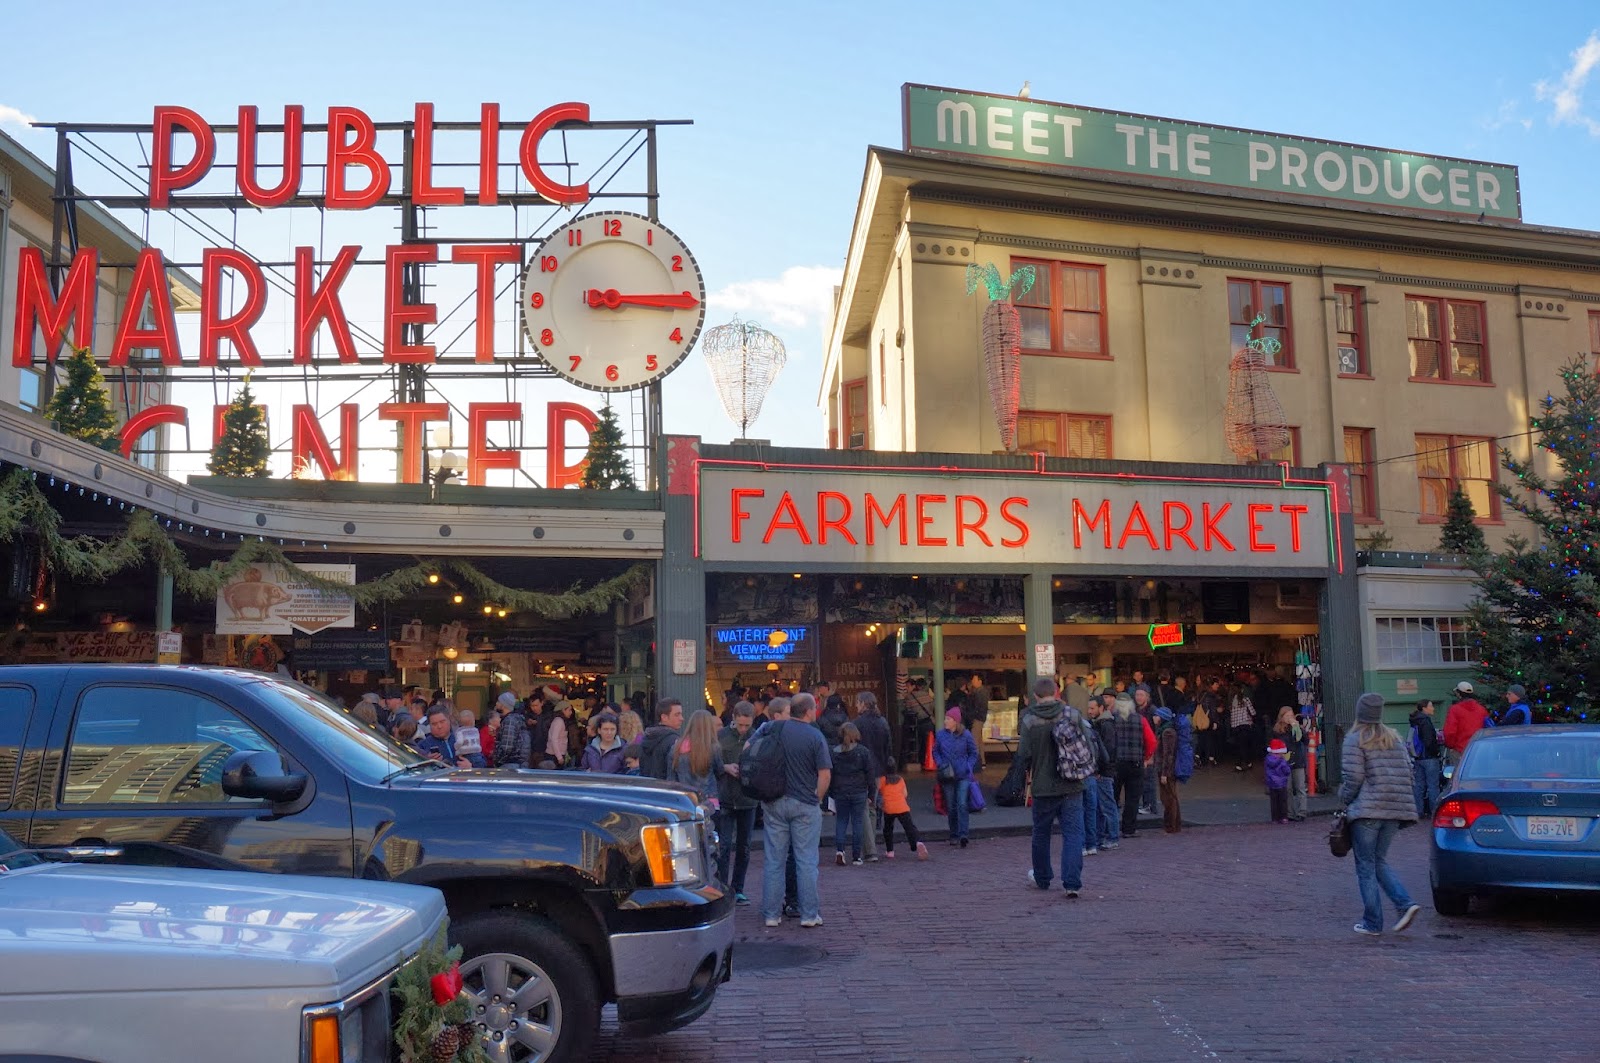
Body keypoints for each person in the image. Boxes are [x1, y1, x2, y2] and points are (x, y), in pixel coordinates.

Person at [1340, 693, 1422, 936]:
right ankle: (1404, 904)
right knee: (1379, 861)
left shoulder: (1355, 740)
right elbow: (1409, 772)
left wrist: (1344, 799)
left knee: (1365, 866)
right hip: (1394, 810)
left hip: (1368, 811)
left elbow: (1353, 778)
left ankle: (1374, 921)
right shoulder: (1394, 739)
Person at [760, 692, 831, 929]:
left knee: (774, 860)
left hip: (774, 801)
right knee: (806, 861)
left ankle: (771, 914)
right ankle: (809, 914)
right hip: (804, 802)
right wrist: (817, 798)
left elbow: (750, 748)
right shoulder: (815, 736)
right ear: (810, 711)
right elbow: (824, 774)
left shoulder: (773, 728)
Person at [1019, 677, 1088, 895]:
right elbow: (1087, 742)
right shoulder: (1073, 714)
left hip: (1043, 785)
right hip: (1072, 783)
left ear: (1036, 696)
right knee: (1073, 834)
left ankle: (1042, 877)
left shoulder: (1029, 720)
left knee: (1041, 834)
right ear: (1057, 693)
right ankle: (1072, 883)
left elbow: (1024, 754)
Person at [716, 703, 758, 904]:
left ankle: (738, 888)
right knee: (723, 846)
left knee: (744, 847)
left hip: (748, 799)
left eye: (747, 725)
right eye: (740, 724)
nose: (743, 729)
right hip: (725, 796)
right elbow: (710, 763)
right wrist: (724, 767)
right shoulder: (720, 736)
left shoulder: (757, 736)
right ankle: (723, 888)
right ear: (733, 718)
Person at [852, 692, 892, 862]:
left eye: (858, 703)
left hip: (861, 770)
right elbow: (888, 748)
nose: (856, 706)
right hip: (879, 769)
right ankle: (871, 843)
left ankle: (870, 849)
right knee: (873, 807)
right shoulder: (882, 722)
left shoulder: (856, 724)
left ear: (863, 703)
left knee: (864, 809)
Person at [829, 722, 875, 866]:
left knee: (841, 821)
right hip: (859, 791)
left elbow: (830, 774)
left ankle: (840, 851)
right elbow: (870, 775)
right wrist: (871, 794)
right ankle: (856, 856)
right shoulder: (863, 751)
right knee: (857, 822)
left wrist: (831, 792)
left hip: (840, 791)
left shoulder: (834, 752)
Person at [933, 707, 979, 848]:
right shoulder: (941, 735)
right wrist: (941, 764)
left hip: (963, 774)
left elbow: (973, 752)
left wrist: (968, 766)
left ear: (955, 721)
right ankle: (954, 834)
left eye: (948, 719)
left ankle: (963, 834)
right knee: (951, 806)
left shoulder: (966, 735)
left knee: (962, 804)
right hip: (947, 775)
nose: (945, 721)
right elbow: (935, 751)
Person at [1111, 694, 1154, 838]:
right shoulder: (1140, 719)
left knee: (1112, 797)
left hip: (1116, 764)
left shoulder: (1111, 720)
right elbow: (1152, 741)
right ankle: (1129, 829)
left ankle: (1109, 828)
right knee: (1133, 798)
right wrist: (1146, 757)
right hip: (1136, 763)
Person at [670, 709, 725, 808]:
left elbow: (671, 777)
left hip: (684, 800)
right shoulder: (713, 747)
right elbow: (719, 771)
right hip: (709, 799)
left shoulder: (677, 747)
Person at [878, 762, 928, 860]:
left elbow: (879, 792)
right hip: (902, 807)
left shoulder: (883, 780)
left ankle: (890, 851)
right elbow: (905, 794)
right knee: (910, 827)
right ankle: (917, 842)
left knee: (888, 829)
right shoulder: (900, 779)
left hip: (889, 808)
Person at [1091, 693, 1121, 850]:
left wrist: (1100, 769)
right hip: (1103, 771)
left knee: (1107, 805)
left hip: (1104, 772)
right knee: (1101, 806)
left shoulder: (1105, 725)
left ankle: (1112, 836)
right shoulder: (1101, 723)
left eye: (1092, 708)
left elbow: (1107, 750)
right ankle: (1102, 836)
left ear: (1100, 708)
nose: (1089, 711)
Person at [1441, 681, 1491, 771]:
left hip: (1460, 750)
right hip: (1478, 750)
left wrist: (1451, 745)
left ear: (1459, 694)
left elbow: (1450, 732)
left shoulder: (1455, 709)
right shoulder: (1481, 709)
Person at [414, 708, 484, 769]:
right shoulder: (422, 745)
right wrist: (427, 762)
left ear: (449, 720)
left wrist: (471, 767)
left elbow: (483, 763)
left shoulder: (462, 738)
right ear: (429, 725)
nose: (439, 726)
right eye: (434, 724)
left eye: (442, 722)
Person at [1408, 700, 1443, 816]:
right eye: (1431, 706)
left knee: (1419, 785)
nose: (1433, 708)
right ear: (1424, 708)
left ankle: (1418, 811)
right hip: (1429, 757)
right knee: (1433, 786)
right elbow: (1429, 741)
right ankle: (1435, 812)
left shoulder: (1415, 720)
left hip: (1418, 757)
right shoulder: (1425, 721)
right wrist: (1436, 751)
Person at [640, 697, 685, 779]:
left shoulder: (646, 738)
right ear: (664, 717)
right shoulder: (674, 741)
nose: (682, 718)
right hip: (667, 788)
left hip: (647, 787)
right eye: (677, 715)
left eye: (681, 714)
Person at [1133, 687, 1161, 817]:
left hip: (1149, 749)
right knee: (1143, 778)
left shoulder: (1152, 710)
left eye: (1141, 695)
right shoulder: (1137, 710)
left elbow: (1155, 733)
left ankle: (1150, 805)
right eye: (1137, 694)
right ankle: (1147, 804)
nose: (1138, 697)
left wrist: (1151, 754)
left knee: (1148, 778)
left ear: (1147, 696)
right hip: (1142, 748)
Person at [1154, 706, 1181, 833]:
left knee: (1169, 797)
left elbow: (1168, 754)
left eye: (1156, 715)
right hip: (1165, 769)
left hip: (1166, 770)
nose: (1154, 718)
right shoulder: (1164, 730)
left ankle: (1172, 825)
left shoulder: (1167, 732)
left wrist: (1165, 773)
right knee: (1170, 796)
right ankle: (1172, 824)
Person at [1228, 681, 1257, 771]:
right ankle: (1247, 762)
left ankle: (1240, 764)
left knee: (1239, 745)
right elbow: (1253, 712)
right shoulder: (1246, 699)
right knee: (1245, 745)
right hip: (1245, 725)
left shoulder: (1232, 701)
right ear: (1242, 690)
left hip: (1235, 726)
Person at [494, 703, 532, 768]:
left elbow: (507, 746)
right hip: (520, 762)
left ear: (503, 704)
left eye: (498, 701)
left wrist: (498, 761)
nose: (496, 704)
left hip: (510, 763)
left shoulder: (510, 721)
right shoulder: (518, 719)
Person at [965, 674, 991, 768]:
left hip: (978, 718)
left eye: (974, 679)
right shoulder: (981, 691)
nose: (972, 681)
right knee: (979, 740)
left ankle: (974, 763)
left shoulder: (980, 692)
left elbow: (978, 706)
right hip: (980, 717)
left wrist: (972, 715)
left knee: (974, 740)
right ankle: (982, 762)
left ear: (980, 681)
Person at [1265, 738, 1291, 823]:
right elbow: (1287, 771)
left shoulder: (1267, 759)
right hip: (1281, 783)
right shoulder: (1282, 761)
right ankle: (1283, 817)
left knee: (1274, 802)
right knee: (1282, 801)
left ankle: (1275, 818)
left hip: (1272, 783)